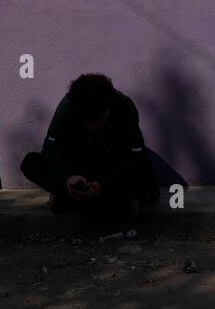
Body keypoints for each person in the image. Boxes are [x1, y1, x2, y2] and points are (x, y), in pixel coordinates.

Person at [20, 74, 158, 232]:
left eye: (99, 120)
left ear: (109, 106)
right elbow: (51, 150)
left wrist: (103, 183)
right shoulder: (68, 107)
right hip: (81, 172)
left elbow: (134, 155)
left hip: (109, 172)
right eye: (87, 121)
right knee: (31, 163)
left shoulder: (124, 106)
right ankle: (101, 203)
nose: (93, 127)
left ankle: (80, 202)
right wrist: (67, 178)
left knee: (143, 169)